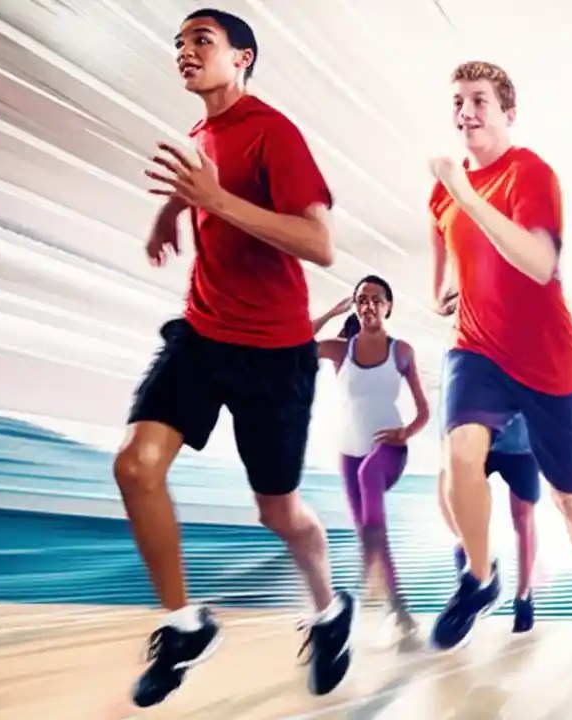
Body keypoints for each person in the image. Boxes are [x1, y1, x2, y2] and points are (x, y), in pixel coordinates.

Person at [117, 8, 353, 708]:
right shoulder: (201, 135)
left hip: (274, 356)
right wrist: (171, 215)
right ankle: (185, 627)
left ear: (242, 57)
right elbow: (203, 197)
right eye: (179, 43)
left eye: (202, 40)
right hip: (201, 335)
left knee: (278, 513)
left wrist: (214, 199)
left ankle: (329, 610)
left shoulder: (274, 132)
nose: (185, 52)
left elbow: (319, 244)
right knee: (135, 466)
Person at [426, 60, 572, 678]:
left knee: (568, 497)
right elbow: (444, 273)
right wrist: (448, 291)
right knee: (459, 457)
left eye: (479, 100)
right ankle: (480, 578)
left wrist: (466, 193)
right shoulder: (444, 192)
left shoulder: (530, 172)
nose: (466, 112)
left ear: (508, 112)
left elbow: (539, 263)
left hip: (546, 360)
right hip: (476, 349)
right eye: (458, 101)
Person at [312, 275, 430, 645]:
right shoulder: (339, 350)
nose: (368, 305)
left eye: (376, 299)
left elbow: (424, 411)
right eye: (361, 299)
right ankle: (401, 613)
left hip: (389, 449)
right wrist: (331, 313)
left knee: (369, 481)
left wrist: (405, 432)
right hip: (349, 451)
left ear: (388, 306)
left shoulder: (402, 351)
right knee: (373, 531)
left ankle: (369, 566)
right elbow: (294, 342)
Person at [431, 279, 541, 634]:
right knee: (450, 489)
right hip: (476, 429)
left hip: (521, 438)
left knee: (523, 516)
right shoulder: (470, 318)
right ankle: (481, 565)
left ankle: (524, 595)